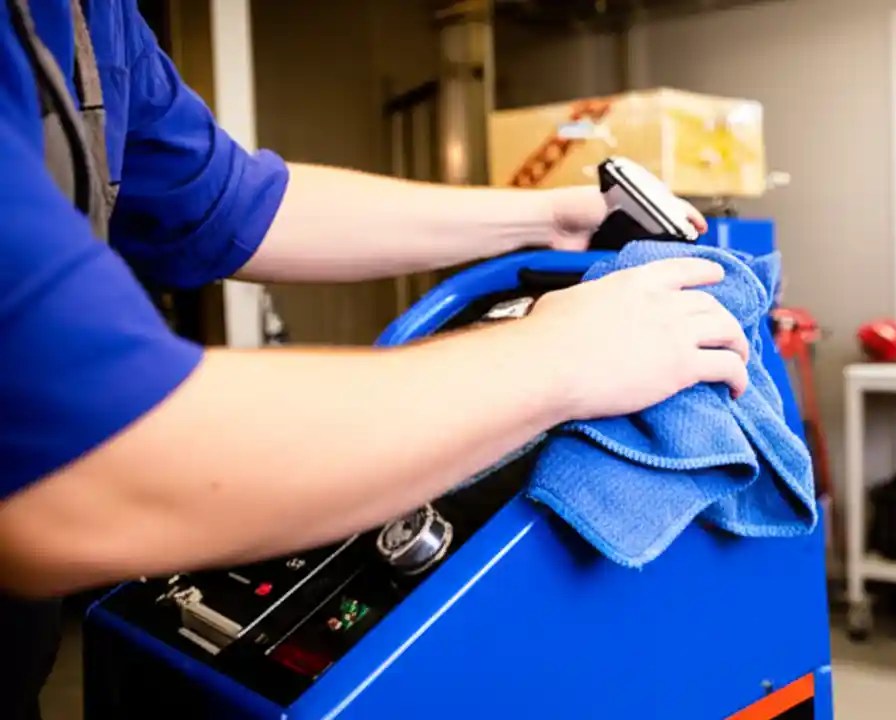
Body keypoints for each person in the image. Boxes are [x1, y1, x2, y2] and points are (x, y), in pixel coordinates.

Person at [0, 1, 752, 718]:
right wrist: (556, 359)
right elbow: (81, 466)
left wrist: (541, 217)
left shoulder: (93, 18)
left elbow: (228, 203)